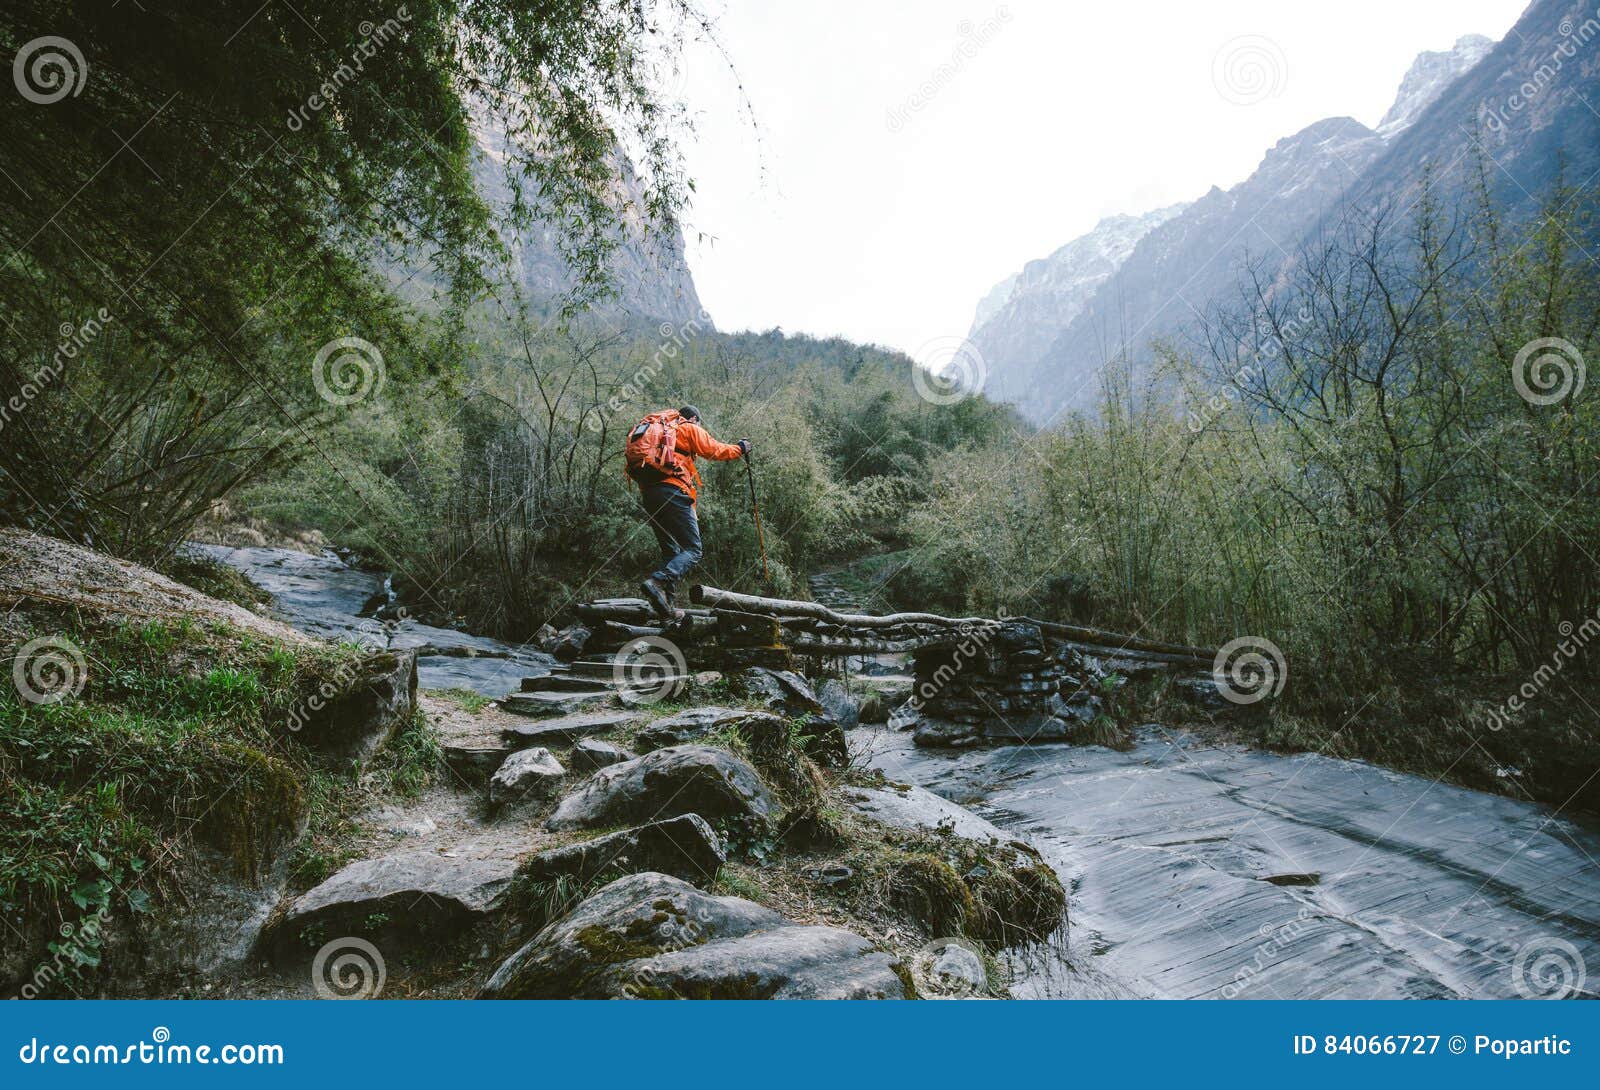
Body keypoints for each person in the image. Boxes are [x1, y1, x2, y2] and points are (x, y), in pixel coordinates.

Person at [625, 405, 750, 618]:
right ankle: (657, 582)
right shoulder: (687, 427)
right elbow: (714, 450)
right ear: (693, 418)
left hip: (649, 494)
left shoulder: (658, 428)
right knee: (693, 549)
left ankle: (666, 607)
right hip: (673, 491)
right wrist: (740, 448)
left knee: (671, 552)